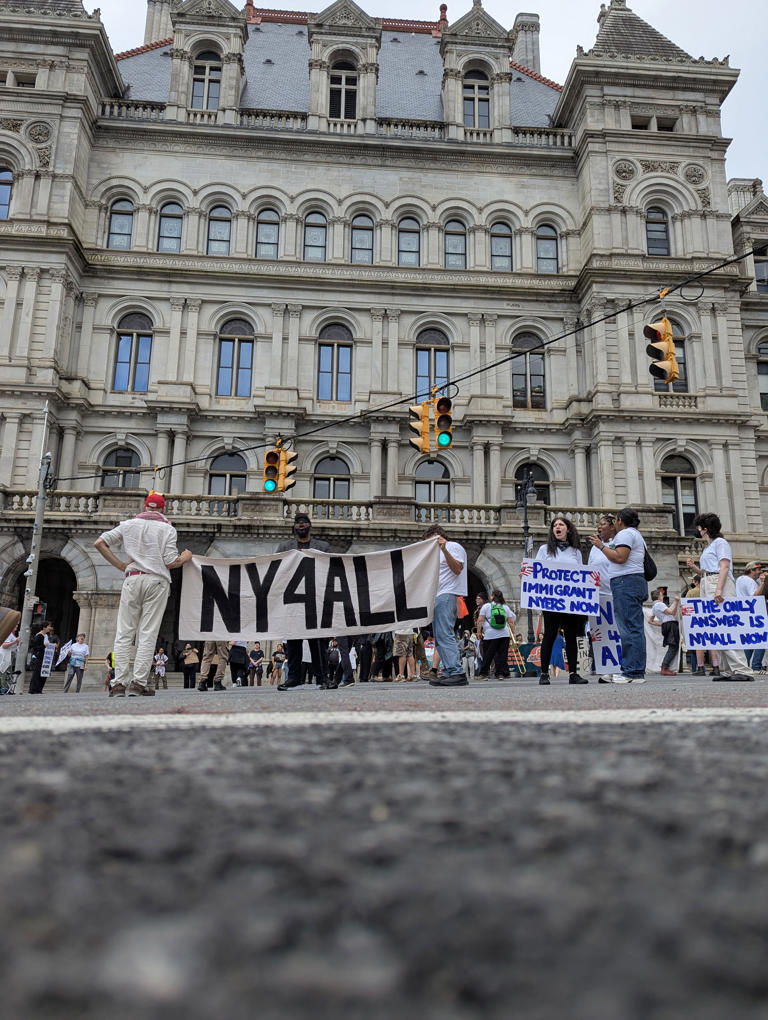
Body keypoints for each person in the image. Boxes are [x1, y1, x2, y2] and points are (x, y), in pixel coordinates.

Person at [94, 491, 192, 698]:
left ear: (145, 507)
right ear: (163, 508)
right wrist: (185, 557)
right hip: (156, 580)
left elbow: (99, 543)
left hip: (132, 579)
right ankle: (138, 683)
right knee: (148, 632)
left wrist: (121, 565)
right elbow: (170, 562)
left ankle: (119, 683)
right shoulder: (167, 529)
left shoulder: (128, 525)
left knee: (124, 632)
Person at [686, 513, 754, 681]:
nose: (698, 530)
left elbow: (724, 566)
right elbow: (707, 570)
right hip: (708, 580)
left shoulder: (720, 543)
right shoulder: (709, 547)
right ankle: (728, 670)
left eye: (699, 527)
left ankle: (741, 669)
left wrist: (718, 589)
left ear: (705, 529)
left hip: (717, 581)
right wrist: (695, 568)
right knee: (717, 628)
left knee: (727, 625)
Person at [590, 506, 648, 684]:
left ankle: (631, 672)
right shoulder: (636, 535)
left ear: (620, 520)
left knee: (628, 628)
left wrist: (601, 546)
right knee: (633, 627)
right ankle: (632, 669)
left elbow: (620, 557)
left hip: (626, 582)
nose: (614, 523)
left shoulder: (625, 534)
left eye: (615, 520)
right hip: (632, 581)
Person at [275, 513, 332, 691]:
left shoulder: (323, 547)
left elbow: (330, 569)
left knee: (318, 642)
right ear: (294, 527)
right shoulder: (284, 547)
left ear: (310, 527)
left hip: (315, 599)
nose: (301, 525)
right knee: (293, 642)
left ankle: (322, 677)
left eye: (304, 522)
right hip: (293, 601)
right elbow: (275, 569)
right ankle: (293, 678)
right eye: (298, 522)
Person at [532, 517, 588, 686]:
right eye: (555, 525)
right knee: (549, 634)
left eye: (561, 524)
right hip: (551, 600)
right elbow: (536, 570)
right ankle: (544, 674)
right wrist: (526, 574)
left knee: (570, 635)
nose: (557, 527)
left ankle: (573, 674)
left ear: (568, 529)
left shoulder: (576, 552)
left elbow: (581, 574)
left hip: (570, 600)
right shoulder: (544, 550)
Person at [423, 525, 469, 688]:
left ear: (436, 535)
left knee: (445, 633)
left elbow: (457, 568)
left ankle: (456, 671)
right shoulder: (437, 553)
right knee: (440, 635)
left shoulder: (452, 546)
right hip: (439, 595)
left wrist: (444, 549)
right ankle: (450, 671)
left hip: (447, 594)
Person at [476, 589, 516, 680]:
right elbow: (511, 622)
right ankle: (500, 674)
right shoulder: (505, 607)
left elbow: (480, 620)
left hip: (490, 634)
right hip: (504, 634)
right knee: (502, 655)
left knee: (488, 655)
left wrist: (479, 632)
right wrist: (513, 633)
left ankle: (484, 674)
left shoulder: (486, 606)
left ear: (492, 597)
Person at [735, 562, 766, 670]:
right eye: (758, 570)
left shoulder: (740, 579)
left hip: (744, 613)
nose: (760, 572)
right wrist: (762, 582)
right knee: (762, 639)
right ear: (752, 570)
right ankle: (756, 666)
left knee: (749, 641)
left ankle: (745, 665)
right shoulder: (749, 581)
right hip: (754, 613)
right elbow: (755, 596)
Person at [650, 589, 681, 675]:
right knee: (673, 646)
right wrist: (676, 601)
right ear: (659, 597)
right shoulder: (660, 604)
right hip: (671, 625)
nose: (663, 596)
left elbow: (650, 621)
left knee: (672, 646)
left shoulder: (654, 606)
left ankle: (665, 666)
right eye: (661, 595)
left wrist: (663, 624)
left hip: (666, 624)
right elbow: (672, 613)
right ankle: (664, 667)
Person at [28, 620, 55, 694]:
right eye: (48, 626)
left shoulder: (46, 636)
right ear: (44, 627)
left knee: (43, 673)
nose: (50, 628)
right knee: (37, 674)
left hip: (45, 658)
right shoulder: (39, 636)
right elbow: (34, 647)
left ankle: (39, 689)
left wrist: (52, 646)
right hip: (38, 657)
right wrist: (44, 646)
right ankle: (33, 689)